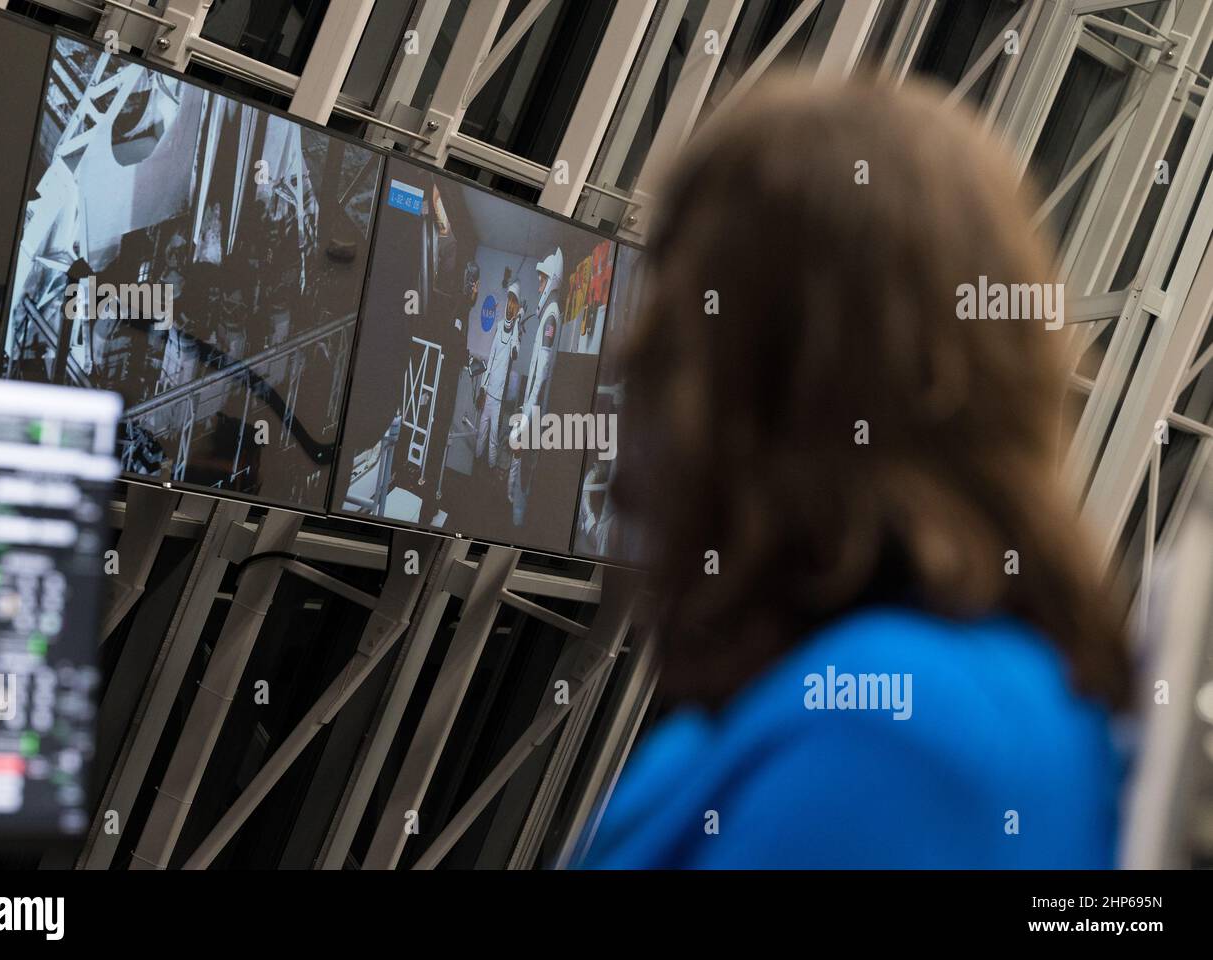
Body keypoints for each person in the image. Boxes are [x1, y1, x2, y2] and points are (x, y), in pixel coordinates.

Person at [582, 79, 1132, 869]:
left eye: (670, 359)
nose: (626, 471)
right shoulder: (911, 704)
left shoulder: (888, 736)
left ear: (789, 389)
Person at [509, 248, 562, 527]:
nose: (539, 284)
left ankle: (517, 525)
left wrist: (525, 418)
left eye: (542, 279)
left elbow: (541, 374)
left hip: (536, 410)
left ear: (552, 280)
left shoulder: (551, 316)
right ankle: (515, 518)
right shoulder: (548, 315)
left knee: (526, 468)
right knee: (524, 465)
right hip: (534, 408)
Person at [475, 280, 522, 477]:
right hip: (489, 393)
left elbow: (514, 353)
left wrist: (518, 322)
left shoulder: (514, 333)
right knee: (482, 433)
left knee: (494, 438)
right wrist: (483, 388)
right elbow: (492, 356)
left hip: (499, 399)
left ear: (516, 307)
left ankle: (490, 471)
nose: (509, 307)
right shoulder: (499, 325)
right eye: (508, 302)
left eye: (514, 303)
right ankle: (476, 469)